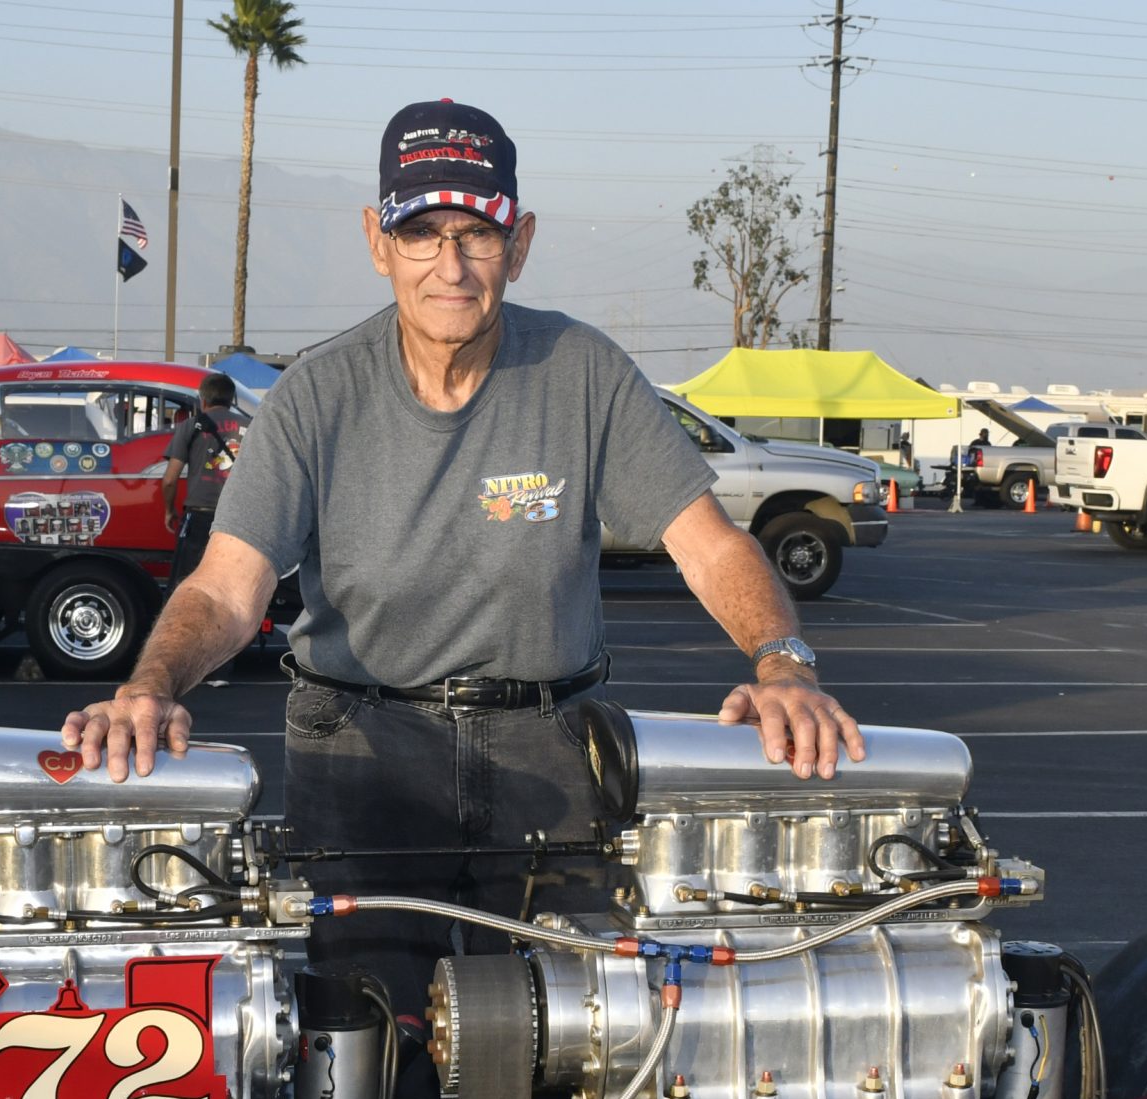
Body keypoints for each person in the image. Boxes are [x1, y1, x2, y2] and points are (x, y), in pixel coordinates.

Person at [58, 99, 863, 1013]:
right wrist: (149, 688)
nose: (451, 265)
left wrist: (782, 662)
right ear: (377, 239)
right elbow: (230, 587)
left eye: (476, 234)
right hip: (363, 757)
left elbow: (713, 547)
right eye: (422, 231)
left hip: (554, 757)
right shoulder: (316, 397)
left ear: (517, 245)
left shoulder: (584, 372)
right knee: (366, 1043)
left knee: (572, 1034)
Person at [161, 371, 238, 588]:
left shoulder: (191, 426)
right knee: (229, 585)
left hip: (199, 516)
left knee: (187, 584)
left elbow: (169, 480)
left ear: (203, 400)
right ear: (231, 400)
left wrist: (169, 510)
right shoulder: (251, 427)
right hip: (236, 520)